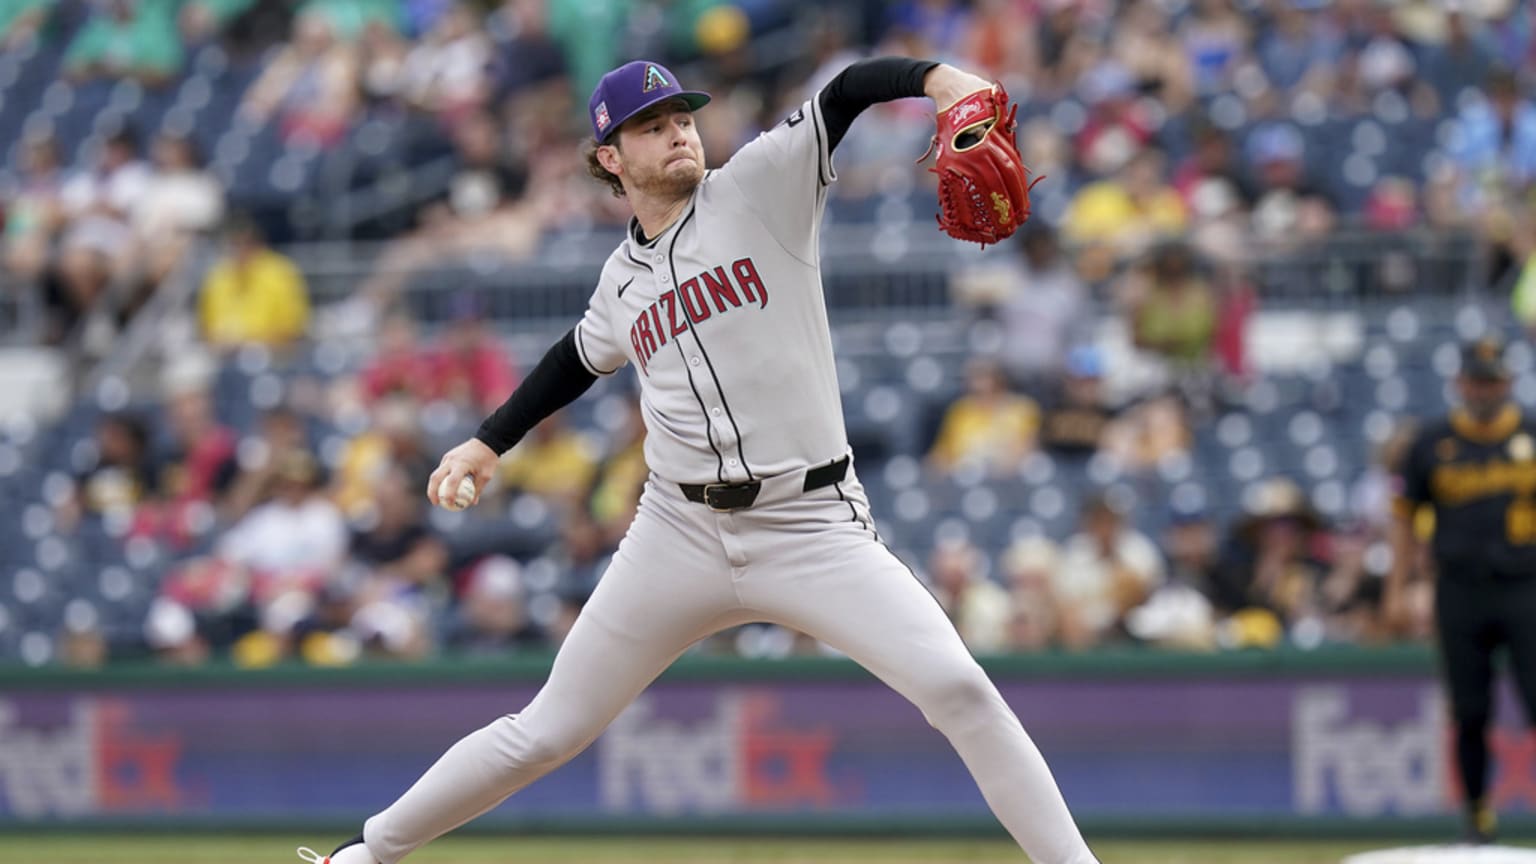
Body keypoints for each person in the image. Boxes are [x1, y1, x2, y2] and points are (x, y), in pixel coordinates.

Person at [297, 57, 1099, 864]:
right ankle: (363, 854)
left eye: (683, 118)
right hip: (677, 532)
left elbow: (845, 92)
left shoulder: (760, 186)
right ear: (610, 157)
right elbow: (575, 358)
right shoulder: (620, 280)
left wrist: (938, 81)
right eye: (652, 127)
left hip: (810, 521)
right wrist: (487, 441)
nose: (679, 133)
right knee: (546, 731)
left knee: (959, 689)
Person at [1386, 336, 1536, 845]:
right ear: (1459, 383)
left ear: (1508, 382)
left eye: (1492, 380)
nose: (1483, 390)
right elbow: (1404, 520)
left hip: (1526, 586)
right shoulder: (1431, 443)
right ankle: (1477, 816)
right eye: (1476, 380)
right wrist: (1398, 588)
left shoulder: (1531, 432)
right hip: (1460, 590)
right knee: (1469, 710)